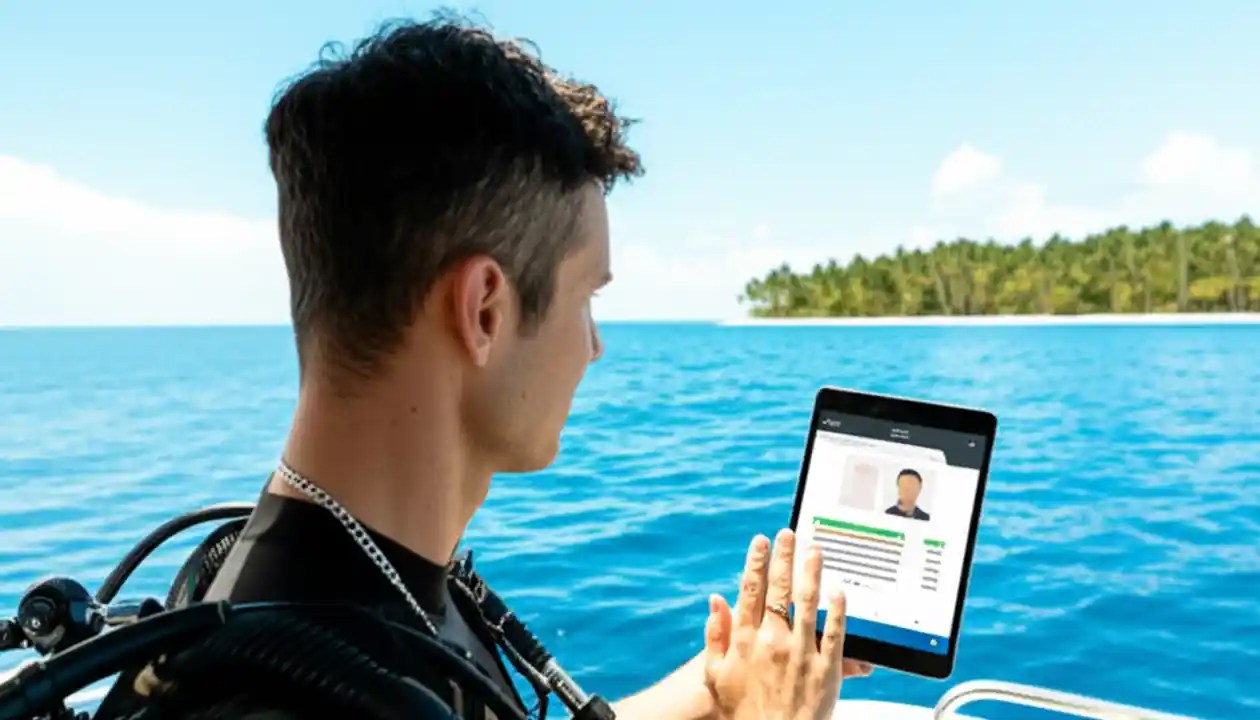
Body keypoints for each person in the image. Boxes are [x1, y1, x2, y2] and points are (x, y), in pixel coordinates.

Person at [95, 14, 874, 720]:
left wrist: (719, 686)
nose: (593, 346)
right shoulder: (282, 700)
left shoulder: (314, 592)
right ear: (484, 311)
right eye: (586, 298)